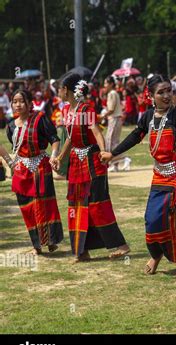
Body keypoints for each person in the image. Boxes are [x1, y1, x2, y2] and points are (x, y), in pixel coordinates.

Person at [100, 74, 176, 279]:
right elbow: (134, 137)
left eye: (168, 91)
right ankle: (156, 255)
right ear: (150, 96)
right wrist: (113, 153)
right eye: (160, 92)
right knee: (153, 219)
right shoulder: (147, 117)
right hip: (160, 175)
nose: (166, 95)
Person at [51, 72, 130, 262]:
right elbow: (70, 137)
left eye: (60, 89)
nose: (58, 92)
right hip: (76, 163)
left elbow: (95, 130)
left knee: (97, 203)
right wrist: (60, 158)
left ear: (67, 90)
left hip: (92, 160)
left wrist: (104, 151)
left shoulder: (85, 109)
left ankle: (121, 245)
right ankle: (81, 250)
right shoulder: (67, 110)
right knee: (76, 205)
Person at [6, 90, 63, 253]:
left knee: (44, 205)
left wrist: (53, 156)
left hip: (40, 166)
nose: (18, 104)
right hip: (21, 170)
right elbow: (14, 146)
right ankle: (36, 244)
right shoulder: (10, 126)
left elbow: (54, 139)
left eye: (21, 101)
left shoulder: (39, 119)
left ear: (30, 102)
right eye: (14, 101)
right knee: (27, 207)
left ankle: (50, 240)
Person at [102, 76, 129, 172]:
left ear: (111, 84)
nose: (104, 85)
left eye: (106, 83)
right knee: (114, 142)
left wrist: (102, 116)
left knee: (110, 141)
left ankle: (124, 158)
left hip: (114, 118)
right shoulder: (114, 93)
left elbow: (111, 109)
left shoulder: (112, 93)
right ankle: (115, 165)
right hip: (115, 119)